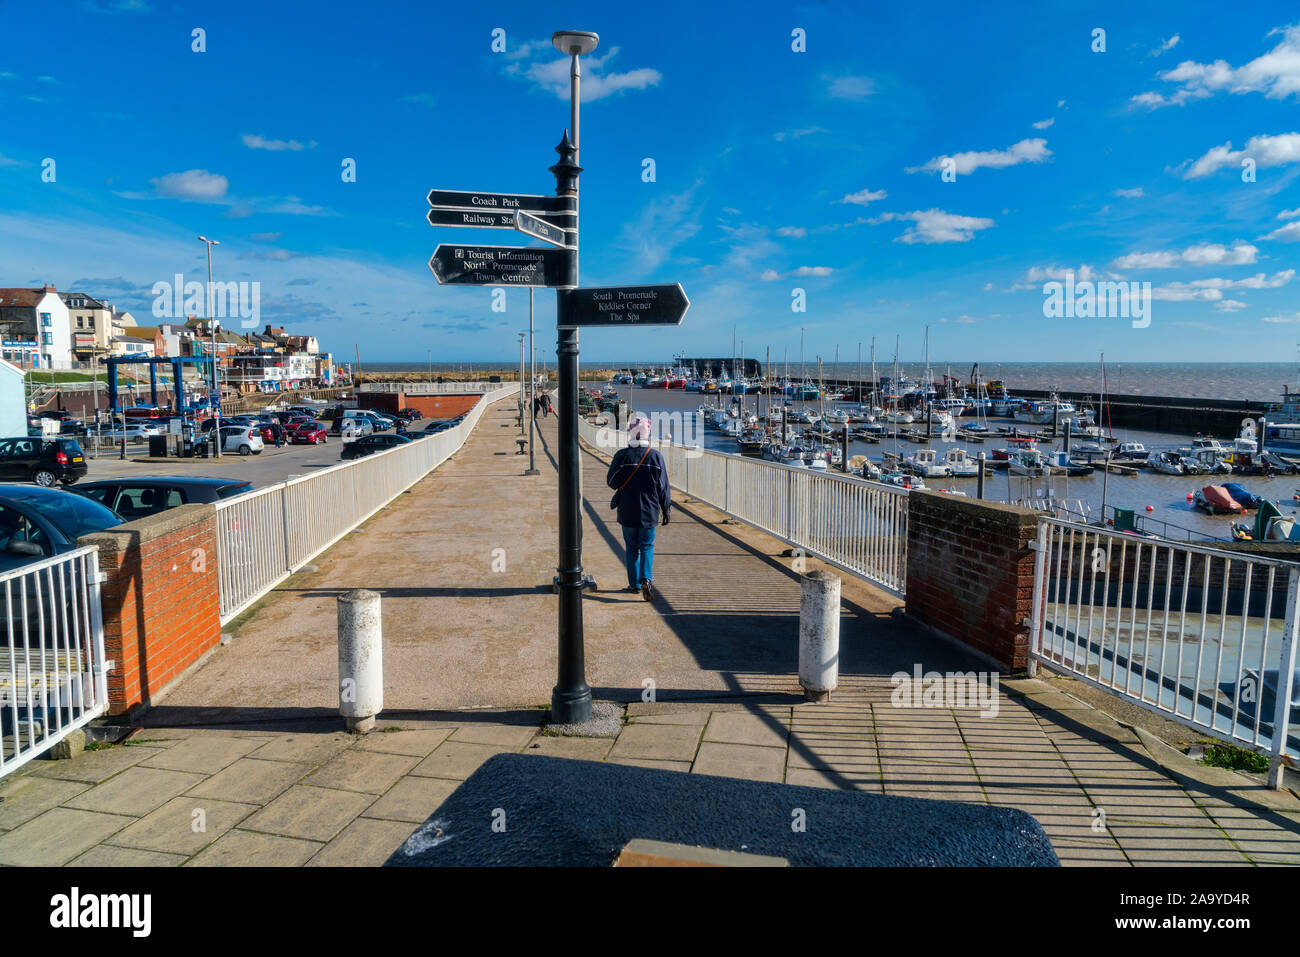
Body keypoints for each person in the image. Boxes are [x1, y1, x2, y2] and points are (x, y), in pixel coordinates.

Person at [606, 414, 671, 601]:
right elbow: (663, 487)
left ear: (630, 432)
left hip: (627, 510)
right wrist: (666, 510)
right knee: (647, 545)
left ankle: (633, 584)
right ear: (647, 433)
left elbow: (611, 481)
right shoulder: (655, 457)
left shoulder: (621, 456)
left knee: (631, 547)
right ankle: (646, 579)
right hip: (649, 512)